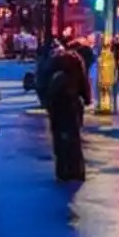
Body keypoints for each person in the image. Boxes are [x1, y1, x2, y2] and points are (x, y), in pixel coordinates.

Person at [47, 43, 91, 182]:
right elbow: (83, 82)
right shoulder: (76, 60)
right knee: (74, 137)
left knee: (58, 136)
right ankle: (76, 170)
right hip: (72, 102)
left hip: (56, 104)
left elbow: (42, 82)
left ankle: (62, 170)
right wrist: (87, 98)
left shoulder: (52, 61)